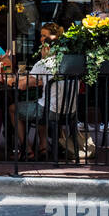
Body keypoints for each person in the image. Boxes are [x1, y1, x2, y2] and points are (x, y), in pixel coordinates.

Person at [12, 23, 70, 158]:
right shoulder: (70, 61)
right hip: (70, 110)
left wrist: (12, 81)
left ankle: (27, 150)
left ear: (53, 39)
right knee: (40, 103)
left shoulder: (44, 62)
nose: (41, 39)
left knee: (13, 108)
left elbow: (22, 85)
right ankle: (44, 147)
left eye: (44, 36)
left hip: (50, 110)